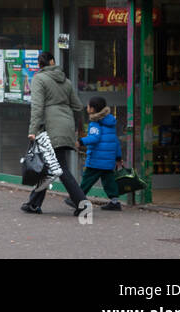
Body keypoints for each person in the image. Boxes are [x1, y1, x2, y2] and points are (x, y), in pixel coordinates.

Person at [23, 51, 89, 215]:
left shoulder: (39, 79)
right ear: (53, 62)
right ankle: (33, 203)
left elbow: (37, 107)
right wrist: (79, 128)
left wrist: (33, 130)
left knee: (59, 167)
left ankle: (82, 204)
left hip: (51, 128)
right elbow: (78, 106)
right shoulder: (66, 81)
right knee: (48, 168)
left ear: (40, 65)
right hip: (66, 126)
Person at [79, 96, 123, 211]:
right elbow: (115, 140)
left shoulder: (95, 122)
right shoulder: (110, 122)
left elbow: (94, 138)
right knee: (109, 180)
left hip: (96, 159)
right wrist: (118, 156)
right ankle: (115, 202)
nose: (87, 108)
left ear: (93, 109)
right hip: (108, 159)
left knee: (87, 179)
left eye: (88, 106)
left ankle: (77, 197)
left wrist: (80, 141)